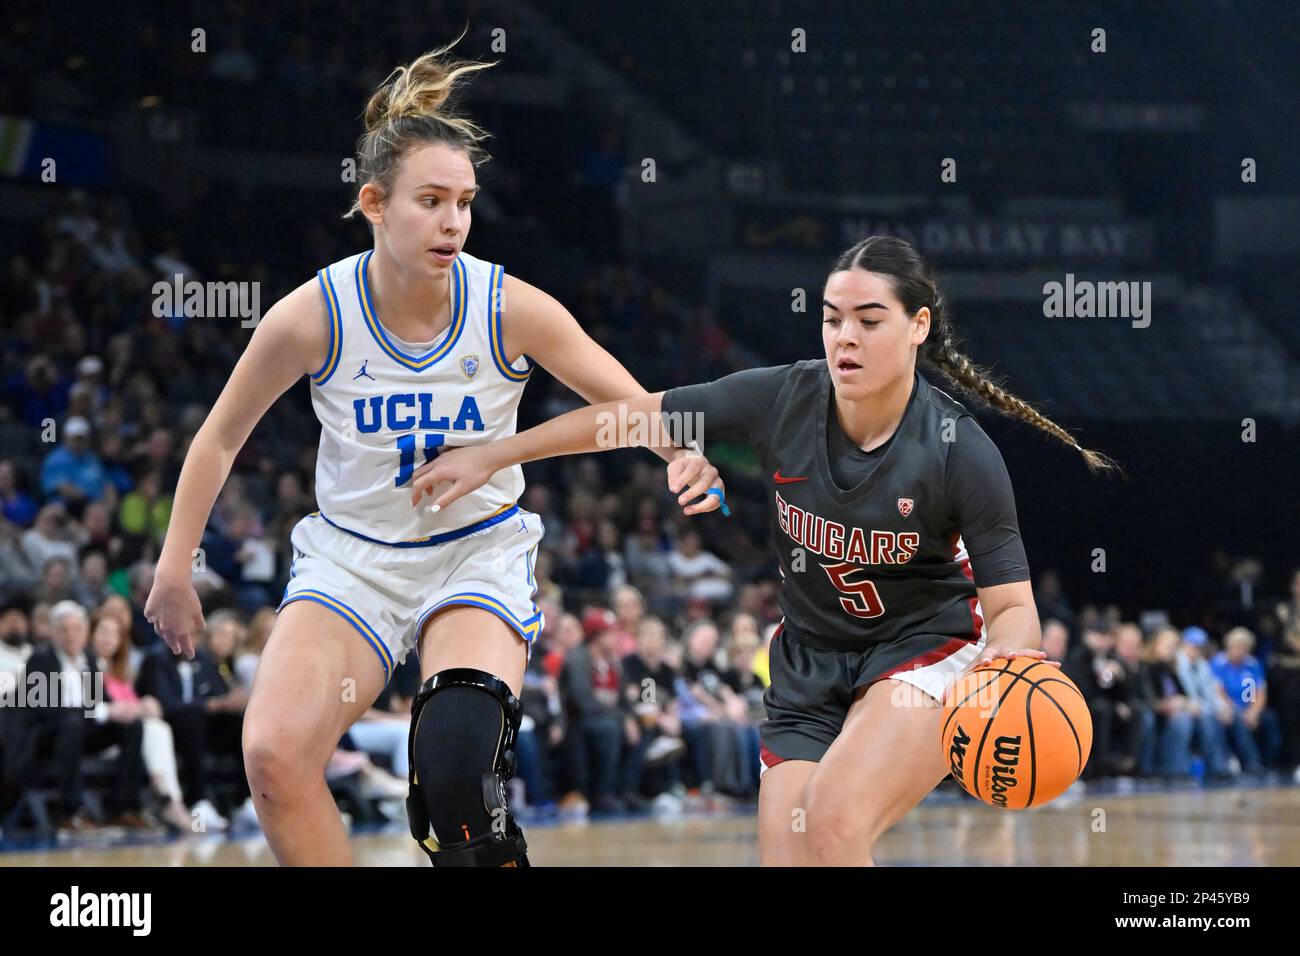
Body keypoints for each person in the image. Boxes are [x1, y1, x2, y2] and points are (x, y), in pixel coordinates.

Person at [143, 39, 721, 867]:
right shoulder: (315, 314)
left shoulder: (507, 304)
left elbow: (629, 403)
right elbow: (220, 435)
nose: (454, 221)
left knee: (453, 771)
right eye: (432, 201)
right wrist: (173, 567)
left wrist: (679, 453)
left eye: (465, 202)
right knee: (271, 757)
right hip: (355, 558)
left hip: (473, 555)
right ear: (374, 203)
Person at [412, 234, 1117, 864]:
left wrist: (1004, 666)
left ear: (917, 327)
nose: (845, 336)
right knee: (791, 855)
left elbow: (1013, 609)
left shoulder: (962, 452)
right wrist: (497, 454)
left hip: (923, 649)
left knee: (834, 822)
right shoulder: (780, 399)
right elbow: (627, 418)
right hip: (811, 659)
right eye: (833, 318)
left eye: (870, 321)